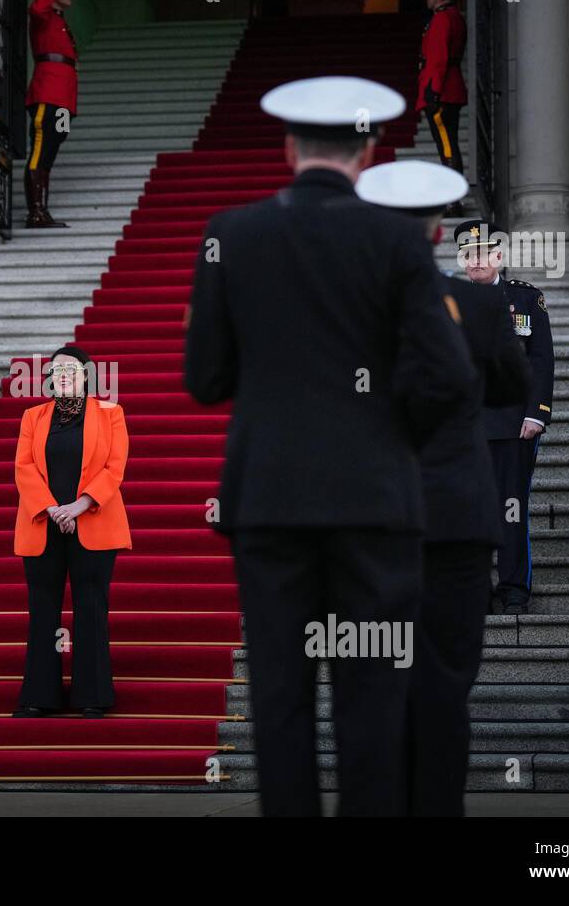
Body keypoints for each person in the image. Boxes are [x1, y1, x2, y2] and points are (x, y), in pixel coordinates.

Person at [184, 76, 475, 817]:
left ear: (289, 148)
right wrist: (389, 439)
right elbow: (447, 377)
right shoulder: (397, 240)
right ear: (369, 147)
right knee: (370, 701)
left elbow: (205, 378)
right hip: (375, 508)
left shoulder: (232, 234)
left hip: (270, 503)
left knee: (281, 699)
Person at [357, 160, 531, 816]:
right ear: (437, 230)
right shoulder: (484, 303)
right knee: (446, 684)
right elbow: (513, 388)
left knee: (379, 679)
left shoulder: (353, 306)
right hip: (457, 516)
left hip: (376, 518)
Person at [12, 347, 131, 719]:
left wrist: (80, 506)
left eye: (70, 368)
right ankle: (39, 696)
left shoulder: (111, 414)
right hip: (42, 523)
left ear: (86, 375)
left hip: (92, 521)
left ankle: (92, 696)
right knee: (42, 608)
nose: (62, 373)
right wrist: (52, 509)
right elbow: (24, 467)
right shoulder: (33, 416)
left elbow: (114, 467)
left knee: (91, 607)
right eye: (56, 368)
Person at [455, 220, 555, 614]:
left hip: (514, 424)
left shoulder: (527, 300)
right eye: (469, 254)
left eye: (484, 252)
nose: (476, 260)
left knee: (511, 508)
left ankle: (514, 587)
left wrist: (537, 413)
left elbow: (541, 361)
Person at [24, 0, 78, 229]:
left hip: (64, 99)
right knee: (40, 150)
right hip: (47, 94)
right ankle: (35, 211)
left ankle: (42, 210)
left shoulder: (58, 21)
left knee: (52, 149)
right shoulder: (43, 15)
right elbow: (36, 7)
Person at [415, 0, 467, 209]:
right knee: (450, 144)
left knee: (446, 147)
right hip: (451, 88)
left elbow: (437, 59)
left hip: (442, 91)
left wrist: (432, 91)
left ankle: (452, 199)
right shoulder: (455, 17)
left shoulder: (441, 19)